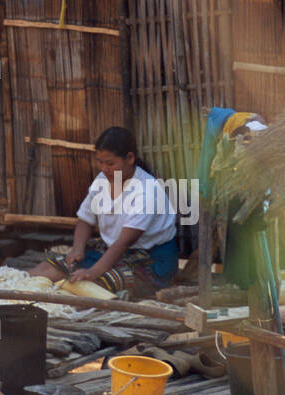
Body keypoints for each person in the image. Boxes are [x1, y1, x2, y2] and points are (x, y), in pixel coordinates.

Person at [33, 127, 178, 297]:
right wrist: (77, 249)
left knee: (92, 284)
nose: (104, 168)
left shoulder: (146, 190)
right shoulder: (103, 180)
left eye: (110, 163)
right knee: (46, 269)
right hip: (113, 254)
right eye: (100, 162)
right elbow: (85, 219)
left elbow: (124, 242)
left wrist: (93, 271)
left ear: (130, 158)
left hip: (152, 262)